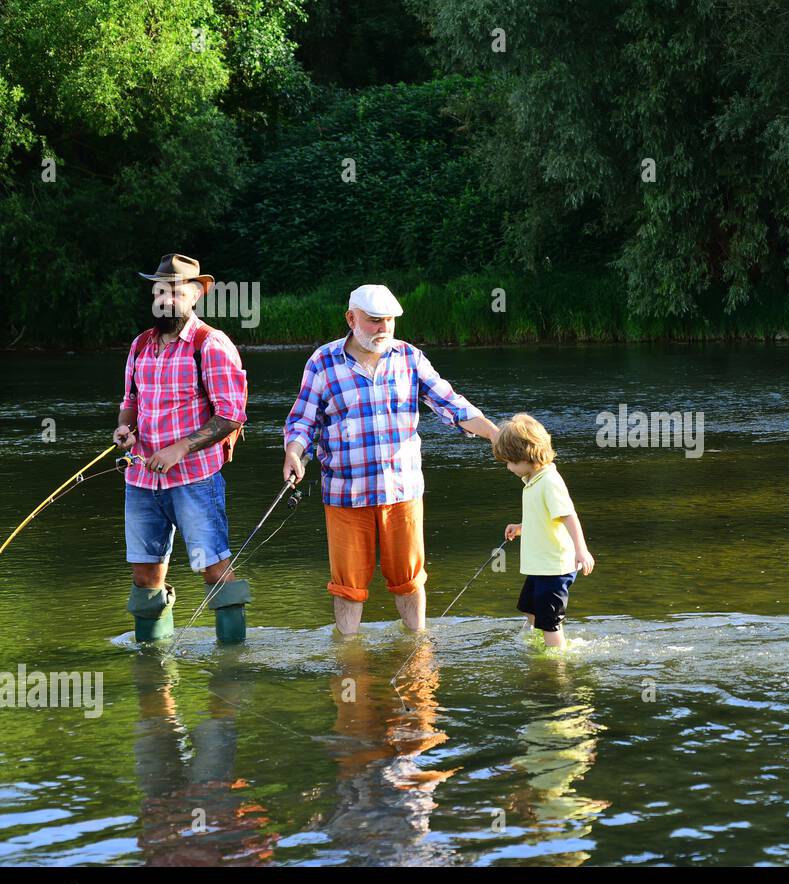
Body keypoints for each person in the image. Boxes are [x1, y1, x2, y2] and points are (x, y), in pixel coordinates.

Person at [282, 284, 499, 635]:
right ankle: (349, 660)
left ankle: (418, 648)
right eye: (375, 321)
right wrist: (294, 453)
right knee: (348, 586)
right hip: (345, 494)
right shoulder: (322, 361)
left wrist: (494, 432)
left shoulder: (409, 357)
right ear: (351, 318)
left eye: (390, 321)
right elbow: (303, 422)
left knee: (410, 581)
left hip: (403, 491)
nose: (384, 328)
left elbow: (451, 403)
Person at [115, 254, 249, 643]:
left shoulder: (211, 344)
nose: (165, 298)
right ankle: (153, 676)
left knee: (214, 569)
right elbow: (130, 400)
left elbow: (231, 415)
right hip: (140, 479)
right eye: (159, 291)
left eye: (175, 291)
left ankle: (234, 663)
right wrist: (125, 429)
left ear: (195, 295)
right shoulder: (140, 345)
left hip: (195, 479)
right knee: (145, 576)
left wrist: (180, 448)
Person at [493, 414, 595, 649]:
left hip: (555, 566)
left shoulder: (549, 481)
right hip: (540, 566)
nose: (508, 467)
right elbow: (545, 518)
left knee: (550, 621)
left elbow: (569, 515)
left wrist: (582, 550)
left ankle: (555, 662)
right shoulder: (533, 480)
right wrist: (521, 527)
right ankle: (536, 643)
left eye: (510, 462)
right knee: (529, 607)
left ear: (525, 456)